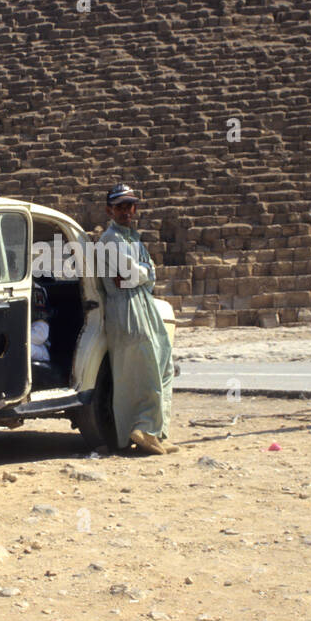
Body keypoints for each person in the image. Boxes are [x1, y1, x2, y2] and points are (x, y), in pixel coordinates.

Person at [99, 183, 176, 455]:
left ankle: (154, 431)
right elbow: (130, 276)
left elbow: (147, 273)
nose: (126, 211)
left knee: (162, 364)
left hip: (142, 304)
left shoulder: (132, 238)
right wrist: (142, 272)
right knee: (143, 372)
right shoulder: (110, 240)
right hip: (127, 309)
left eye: (130, 206)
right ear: (109, 209)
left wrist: (141, 273)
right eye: (120, 206)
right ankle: (143, 429)